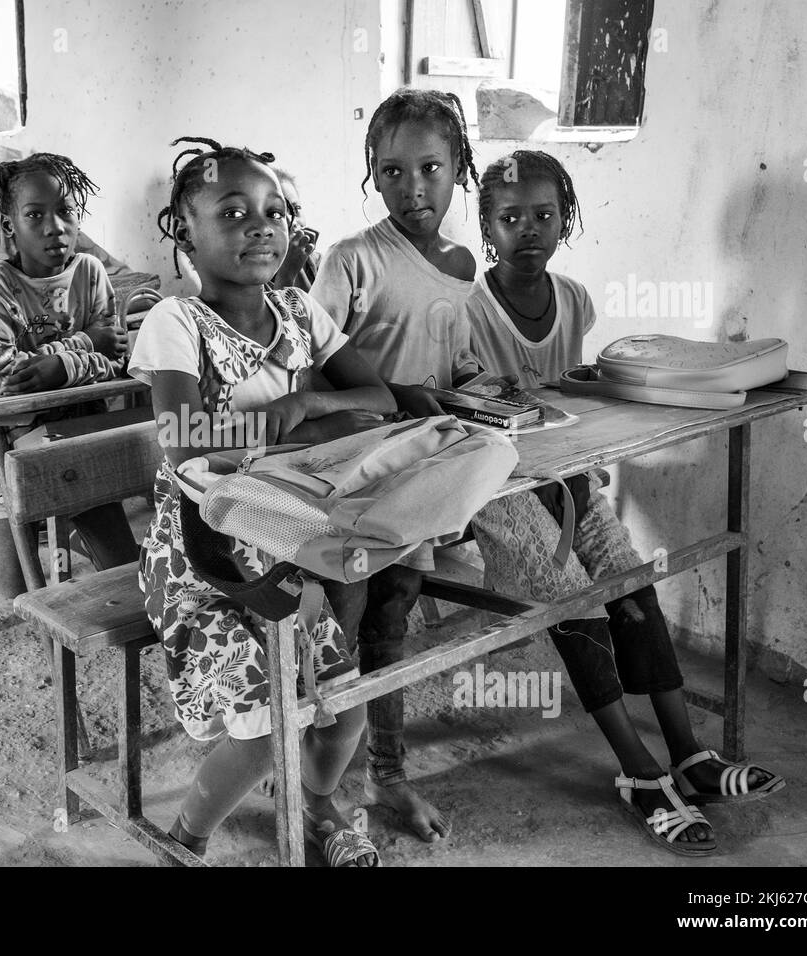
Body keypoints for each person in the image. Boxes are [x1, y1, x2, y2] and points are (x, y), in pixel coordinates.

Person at [465, 150, 785, 856]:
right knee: (575, 599)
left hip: (569, 474)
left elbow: (569, 388)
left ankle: (689, 755)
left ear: (565, 220)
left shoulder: (574, 299)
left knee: (630, 585)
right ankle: (639, 774)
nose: (528, 230)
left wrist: (587, 440)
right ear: (486, 228)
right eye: (510, 218)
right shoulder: (468, 306)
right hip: (496, 484)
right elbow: (471, 407)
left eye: (544, 215)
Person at [129, 135, 396, 865]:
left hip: (291, 547)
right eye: (235, 211)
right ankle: (185, 840)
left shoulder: (300, 314)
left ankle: (313, 807)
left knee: (343, 710)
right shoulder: (175, 323)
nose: (262, 226)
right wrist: (294, 422)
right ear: (187, 231)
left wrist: (303, 402)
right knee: (263, 725)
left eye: (275, 211)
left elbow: (378, 400)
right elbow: (186, 444)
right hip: (202, 559)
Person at [309, 87, 482, 844]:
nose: (414, 188)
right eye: (392, 171)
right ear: (372, 175)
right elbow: (307, 371)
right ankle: (316, 790)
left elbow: (462, 363)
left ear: (459, 170)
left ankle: (387, 778)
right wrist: (389, 404)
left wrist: (487, 392)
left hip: (420, 484)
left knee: (389, 630)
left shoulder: (464, 262)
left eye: (432, 168)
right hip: (350, 488)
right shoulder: (349, 261)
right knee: (334, 646)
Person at [0, 153, 136, 640]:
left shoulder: (90, 274)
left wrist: (58, 365)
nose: (54, 227)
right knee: (15, 585)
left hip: (78, 441)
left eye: (65, 211)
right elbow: (5, 377)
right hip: (7, 447)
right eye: (35, 215)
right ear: (10, 227)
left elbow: (115, 361)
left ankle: (67, 540)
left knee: (128, 567)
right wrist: (81, 348)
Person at [270, 167, 320, 291]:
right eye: (276, 214)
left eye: (296, 209)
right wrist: (287, 272)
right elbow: (285, 310)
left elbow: (317, 309)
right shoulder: (253, 272)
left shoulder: (320, 263)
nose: (291, 222)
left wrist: (300, 265)